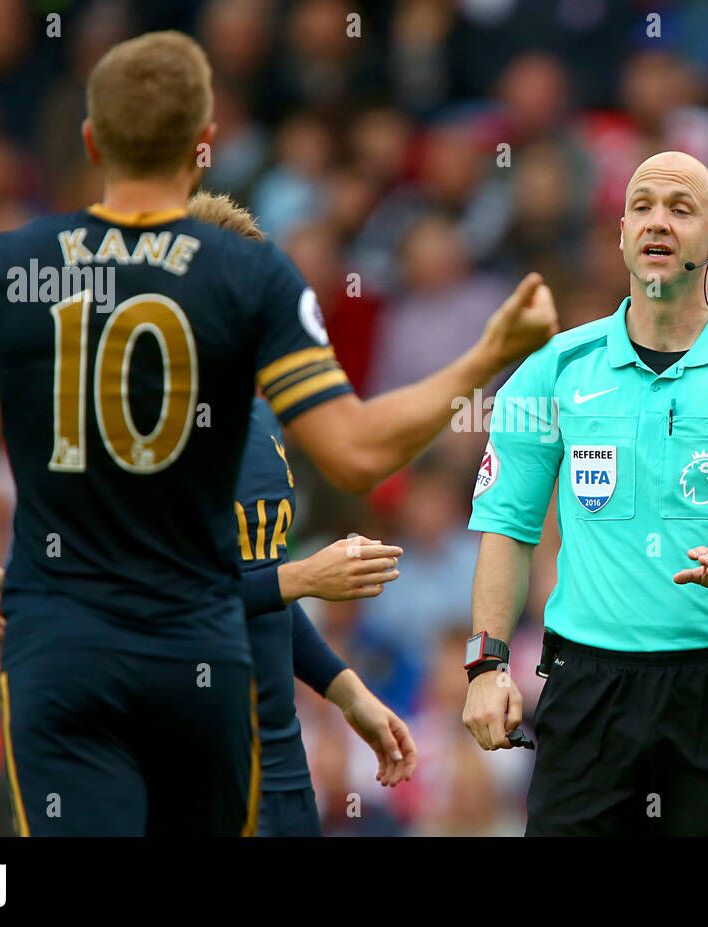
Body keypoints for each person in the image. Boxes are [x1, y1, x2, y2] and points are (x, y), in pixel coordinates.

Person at [0, 32, 555, 836]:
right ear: (204, 146)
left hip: (65, 662)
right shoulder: (246, 282)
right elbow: (356, 454)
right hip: (192, 675)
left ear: (92, 141)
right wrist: (485, 356)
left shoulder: (10, 266)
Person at [461, 150, 708, 836]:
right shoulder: (550, 368)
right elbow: (508, 527)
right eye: (642, 206)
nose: (658, 221)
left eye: (682, 209)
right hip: (586, 690)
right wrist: (487, 665)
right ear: (620, 235)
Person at [186, 190, 557, 836]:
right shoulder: (157, 430)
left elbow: (257, 589)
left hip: (281, 756)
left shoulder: (264, 416)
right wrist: (306, 577)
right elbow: (170, 594)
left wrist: (347, 690)